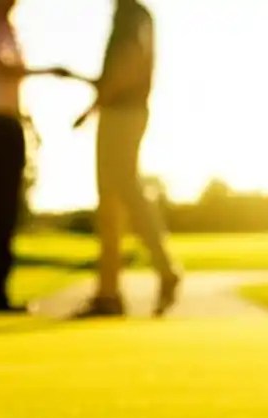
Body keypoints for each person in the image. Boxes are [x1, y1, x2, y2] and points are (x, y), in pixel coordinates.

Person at [71, 0, 181, 318]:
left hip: (121, 113)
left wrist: (97, 101)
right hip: (127, 110)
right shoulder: (136, 14)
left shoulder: (130, 14)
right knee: (115, 199)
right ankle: (110, 292)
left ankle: (159, 272)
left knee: (120, 192)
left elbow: (127, 62)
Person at [0, 0, 67, 313]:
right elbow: (3, 70)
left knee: (7, 210)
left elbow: (14, 84)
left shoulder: (13, 33)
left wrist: (29, 123)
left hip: (12, 124)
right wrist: (48, 71)